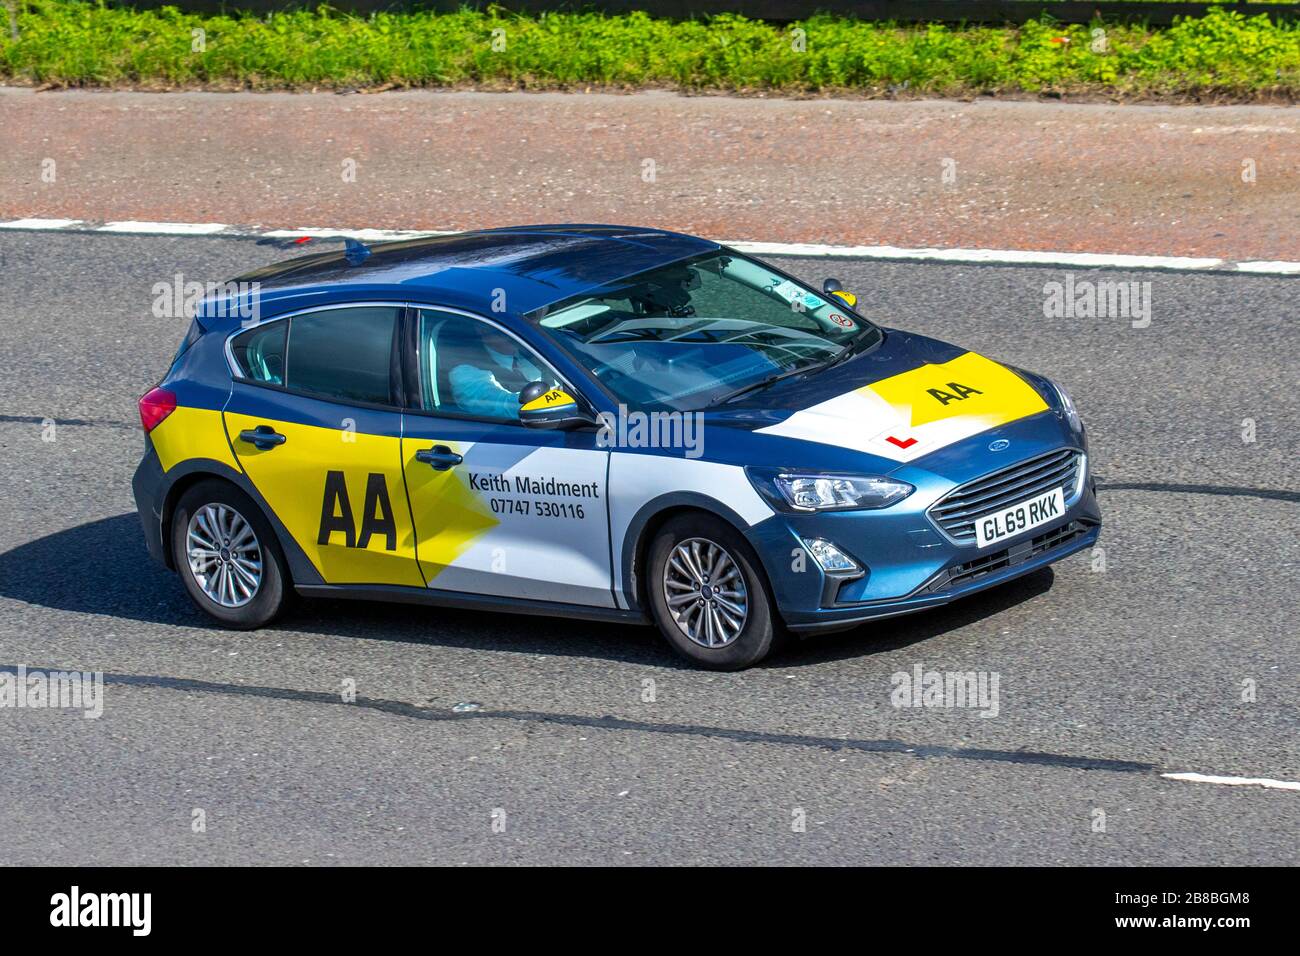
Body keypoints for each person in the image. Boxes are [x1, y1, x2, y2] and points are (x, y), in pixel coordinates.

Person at [447, 324, 545, 420]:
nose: (520, 334)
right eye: (505, 330)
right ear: (482, 330)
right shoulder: (464, 373)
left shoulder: (535, 351)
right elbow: (506, 407)